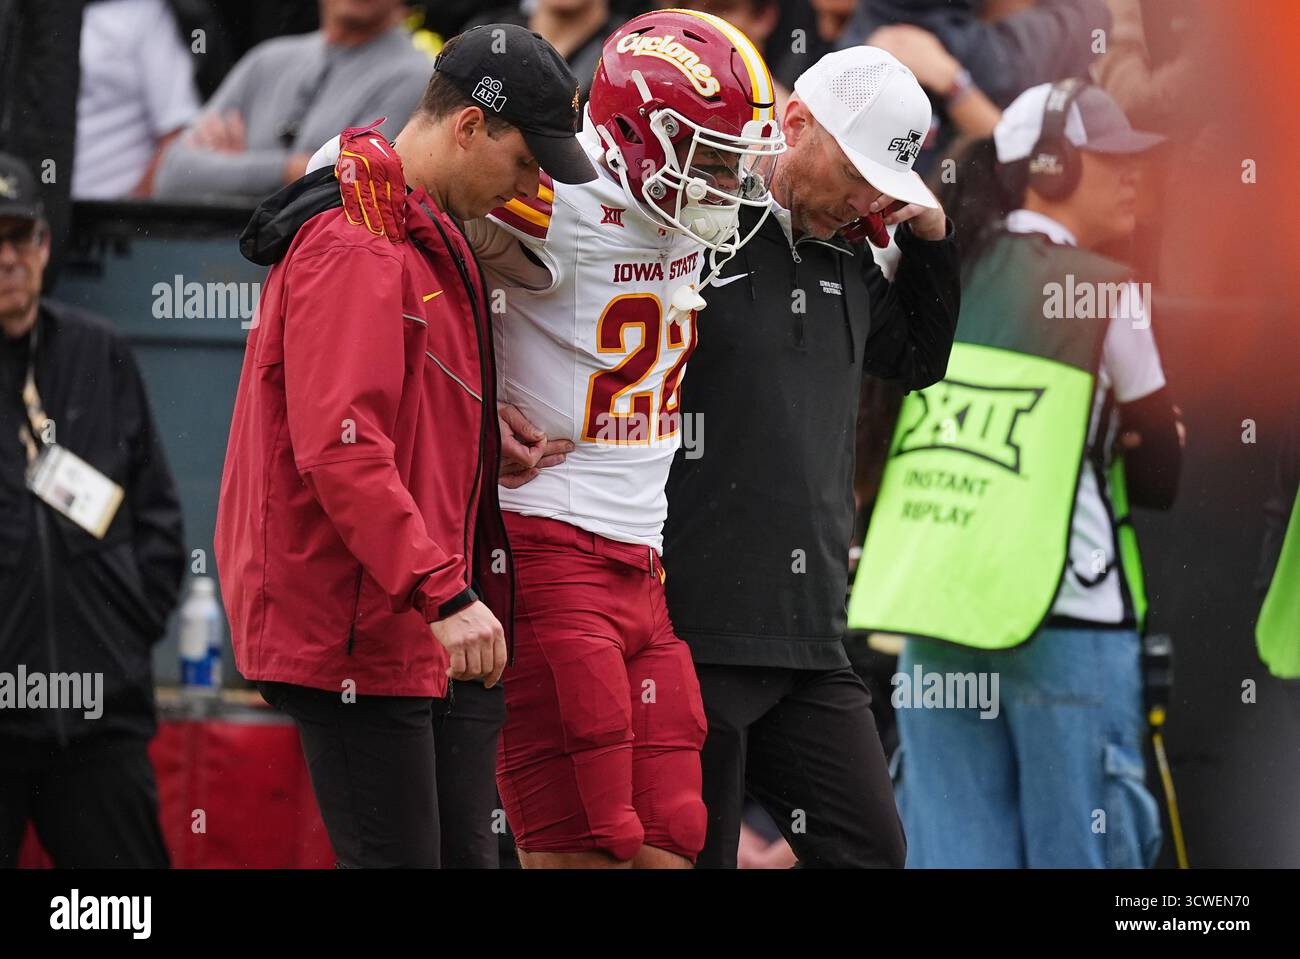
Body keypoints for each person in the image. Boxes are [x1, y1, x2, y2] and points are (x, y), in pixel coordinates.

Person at [333, 7, 787, 868]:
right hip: (545, 543)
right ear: (634, 133)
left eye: (735, 159)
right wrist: (353, 155)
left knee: (674, 832)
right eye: (710, 154)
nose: (726, 181)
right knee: (589, 839)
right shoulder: (553, 199)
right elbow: (392, 182)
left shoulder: (697, 206)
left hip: (644, 563)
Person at [214, 25, 596, 869]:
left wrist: (477, 440)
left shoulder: (410, 226)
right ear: (468, 128)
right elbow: (342, 453)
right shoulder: (359, 242)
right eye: (527, 163)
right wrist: (445, 593)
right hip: (362, 627)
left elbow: (380, 419)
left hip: (400, 624)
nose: (529, 188)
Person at [849, 80, 1182, 868]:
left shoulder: (935, 266)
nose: (1137, 178)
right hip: (1067, 621)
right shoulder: (1107, 287)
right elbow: (1164, 475)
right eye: (1113, 160)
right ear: (1054, 167)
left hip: (935, 615)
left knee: (957, 855)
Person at [660, 46, 961, 868]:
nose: (866, 199)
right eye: (855, 172)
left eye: (883, 186)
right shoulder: (690, 226)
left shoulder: (849, 253)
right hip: (697, 626)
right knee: (696, 854)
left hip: (812, 635)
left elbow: (920, 359)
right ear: (793, 123)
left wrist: (931, 234)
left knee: (868, 848)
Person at [0, 152, 185, 867]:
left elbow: (160, 523)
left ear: (45, 247)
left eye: (21, 237)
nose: (8, 256)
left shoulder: (98, 351)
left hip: (100, 718)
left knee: (117, 914)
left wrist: (124, 632)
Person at [153, 0, 431, 201]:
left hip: (320, 273)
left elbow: (346, 185)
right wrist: (288, 170)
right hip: (216, 272)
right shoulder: (265, 62)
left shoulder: (417, 77)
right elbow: (173, 175)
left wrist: (234, 169)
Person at [72, 0, 200, 198]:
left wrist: (131, 211)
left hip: (111, 209)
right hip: (33, 209)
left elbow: (177, 132)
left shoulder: (144, 12)